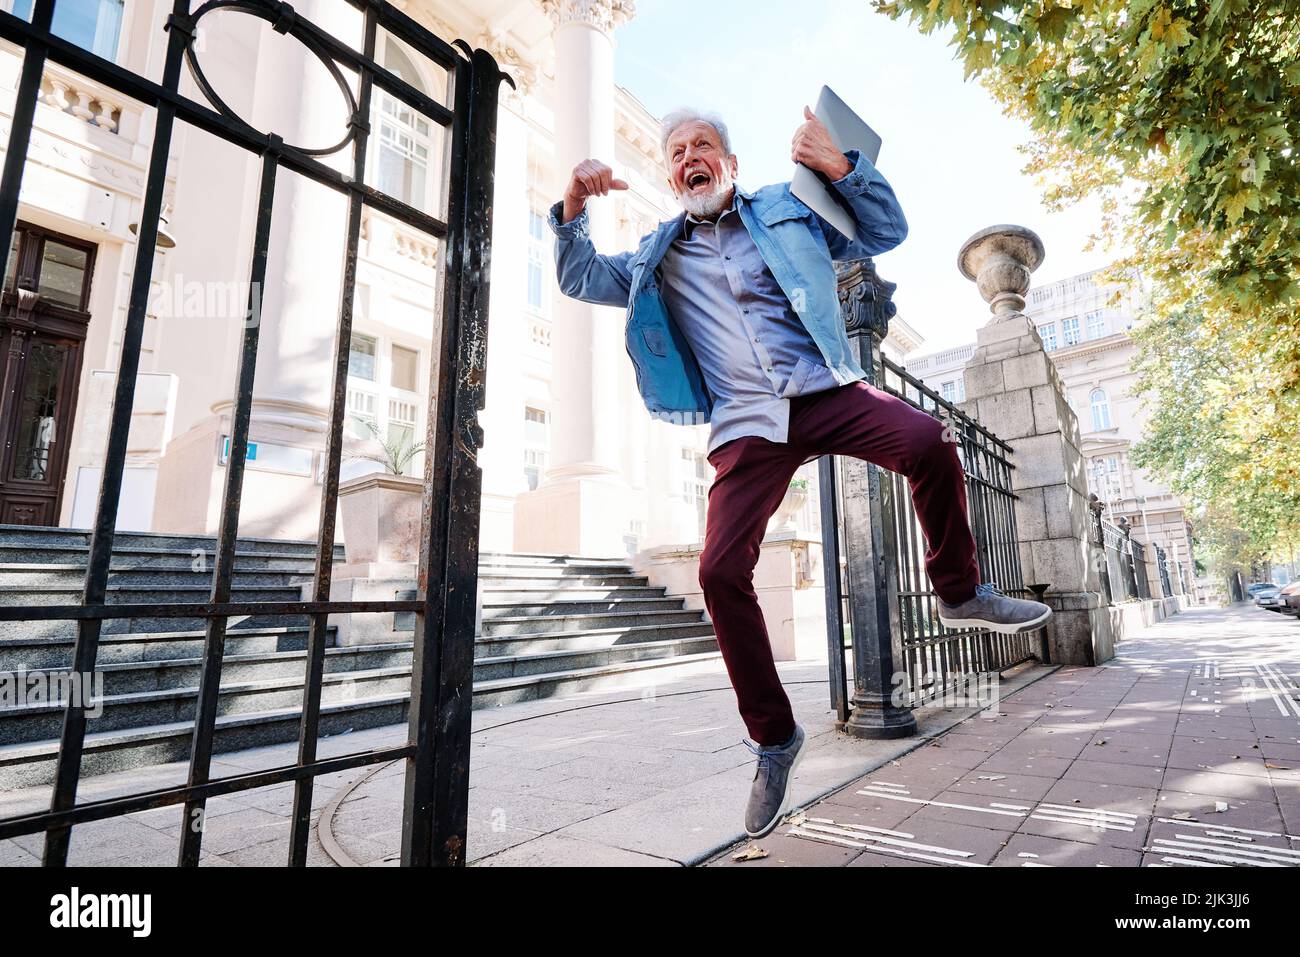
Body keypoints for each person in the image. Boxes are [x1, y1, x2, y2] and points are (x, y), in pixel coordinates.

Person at [547, 106, 1052, 839]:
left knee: (930, 442)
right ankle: (775, 737)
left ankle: (959, 589)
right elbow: (579, 275)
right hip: (747, 426)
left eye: (705, 146)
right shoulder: (656, 256)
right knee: (720, 573)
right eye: (679, 150)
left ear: (730, 163)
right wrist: (572, 208)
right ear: (668, 175)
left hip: (823, 390)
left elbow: (884, 232)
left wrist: (842, 166)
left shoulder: (787, 205)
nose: (692, 156)